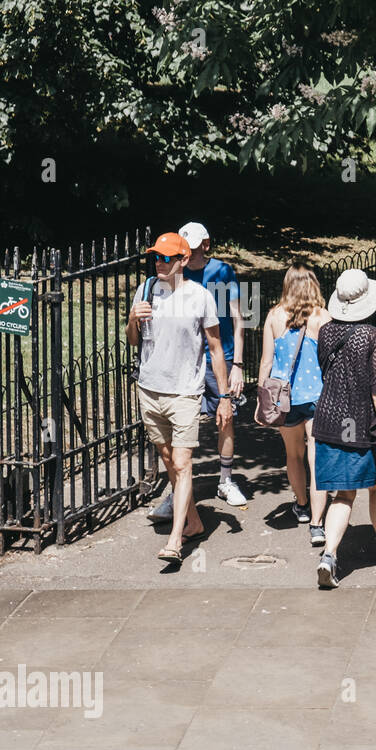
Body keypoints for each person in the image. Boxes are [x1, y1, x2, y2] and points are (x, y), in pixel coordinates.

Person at [126, 233, 232, 566]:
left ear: (184, 260)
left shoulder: (200, 297)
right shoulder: (145, 291)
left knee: (183, 464)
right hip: (150, 389)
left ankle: (175, 540)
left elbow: (215, 349)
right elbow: (132, 341)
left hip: (185, 392)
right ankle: (196, 522)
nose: (160, 262)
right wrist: (132, 320)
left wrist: (225, 396)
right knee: (171, 461)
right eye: (156, 257)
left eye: (167, 258)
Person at [312, 268, 376, 588]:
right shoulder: (373, 336)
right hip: (362, 424)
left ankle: (329, 555)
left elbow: (327, 374)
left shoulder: (325, 332)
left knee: (343, 494)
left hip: (330, 420)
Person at [257, 264, 330, 547]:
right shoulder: (322, 317)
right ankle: (317, 523)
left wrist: (263, 399)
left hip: (284, 399)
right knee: (317, 458)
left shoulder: (274, 316)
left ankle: (301, 504)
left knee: (293, 455)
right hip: (316, 396)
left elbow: (266, 361)